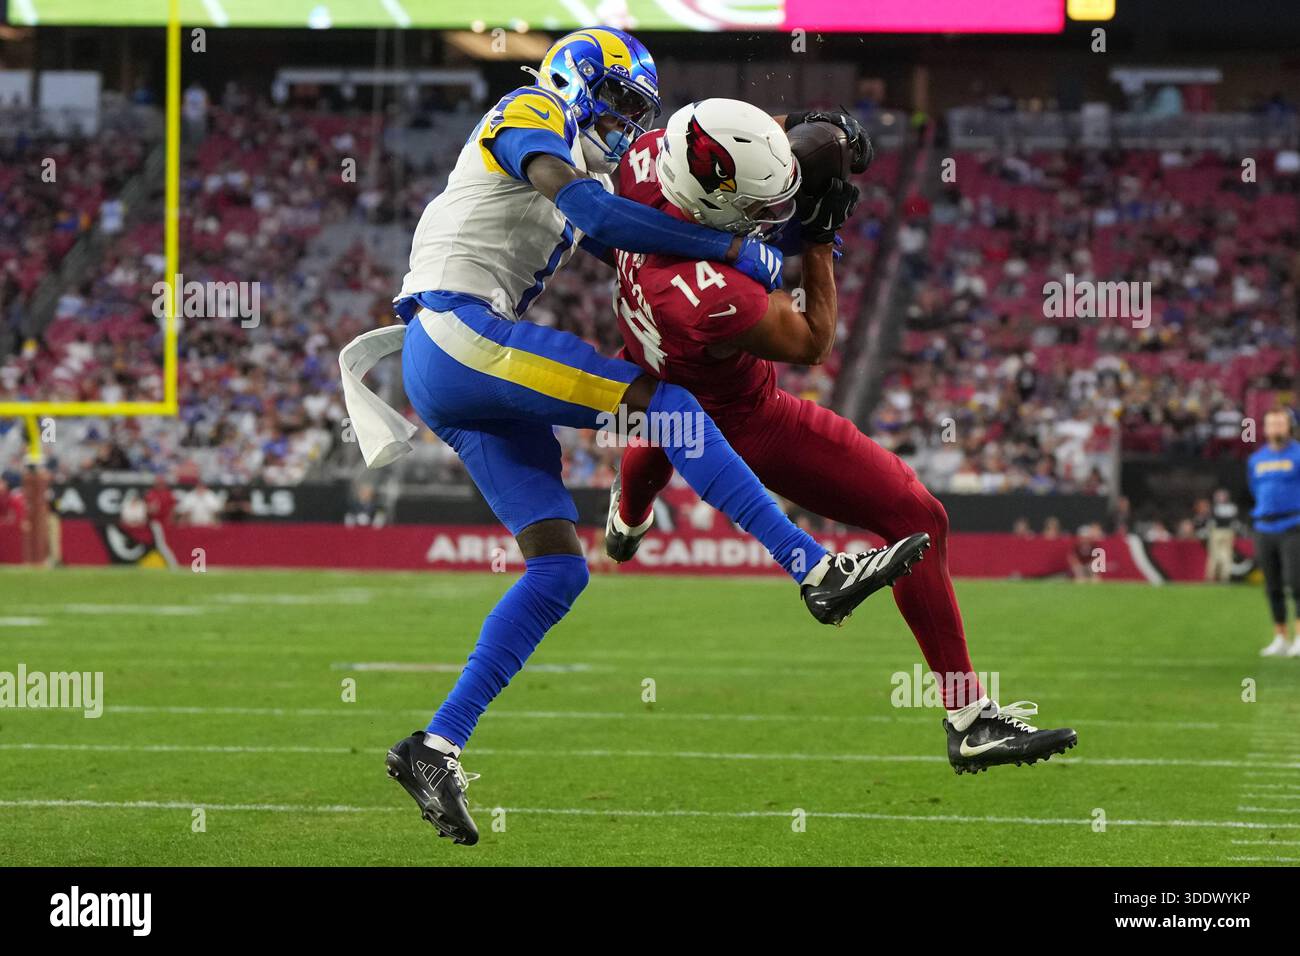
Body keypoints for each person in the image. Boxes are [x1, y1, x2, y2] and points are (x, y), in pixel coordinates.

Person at [349, 30, 930, 846]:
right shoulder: (528, 110)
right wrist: (734, 248)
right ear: (576, 78)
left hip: (452, 365)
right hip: (455, 334)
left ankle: (433, 745)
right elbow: (596, 213)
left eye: (636, 111)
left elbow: (622, 229)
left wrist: (770, 233)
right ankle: (814, 570)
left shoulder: (575, 165)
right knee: (671, 408)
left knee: (558, 569)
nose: (624, 124)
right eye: (618, 101)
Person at [603, 98, 1075, 775]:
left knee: (663, 408)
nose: (769, 216)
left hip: (648, 359)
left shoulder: (654, 158)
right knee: (919, 516)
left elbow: (733, 159)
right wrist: (819, 238)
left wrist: (809, 144)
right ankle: (970, 721)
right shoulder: (708, 296)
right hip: (744, 421)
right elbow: (815, 339)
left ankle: (627, 518)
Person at [1250, 409, 1300, 657]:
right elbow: (1253, 488)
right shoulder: (1257, 459)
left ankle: (1299, 636)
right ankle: (1280, 636)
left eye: (1280, 423)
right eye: (1272, 424)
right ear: (1266, 428)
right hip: (1264, 527)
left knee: (1296, 581)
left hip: (1294, 524)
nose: (1276, 428)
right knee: (1272, 586)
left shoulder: (1298, 454)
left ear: (1289, 427)